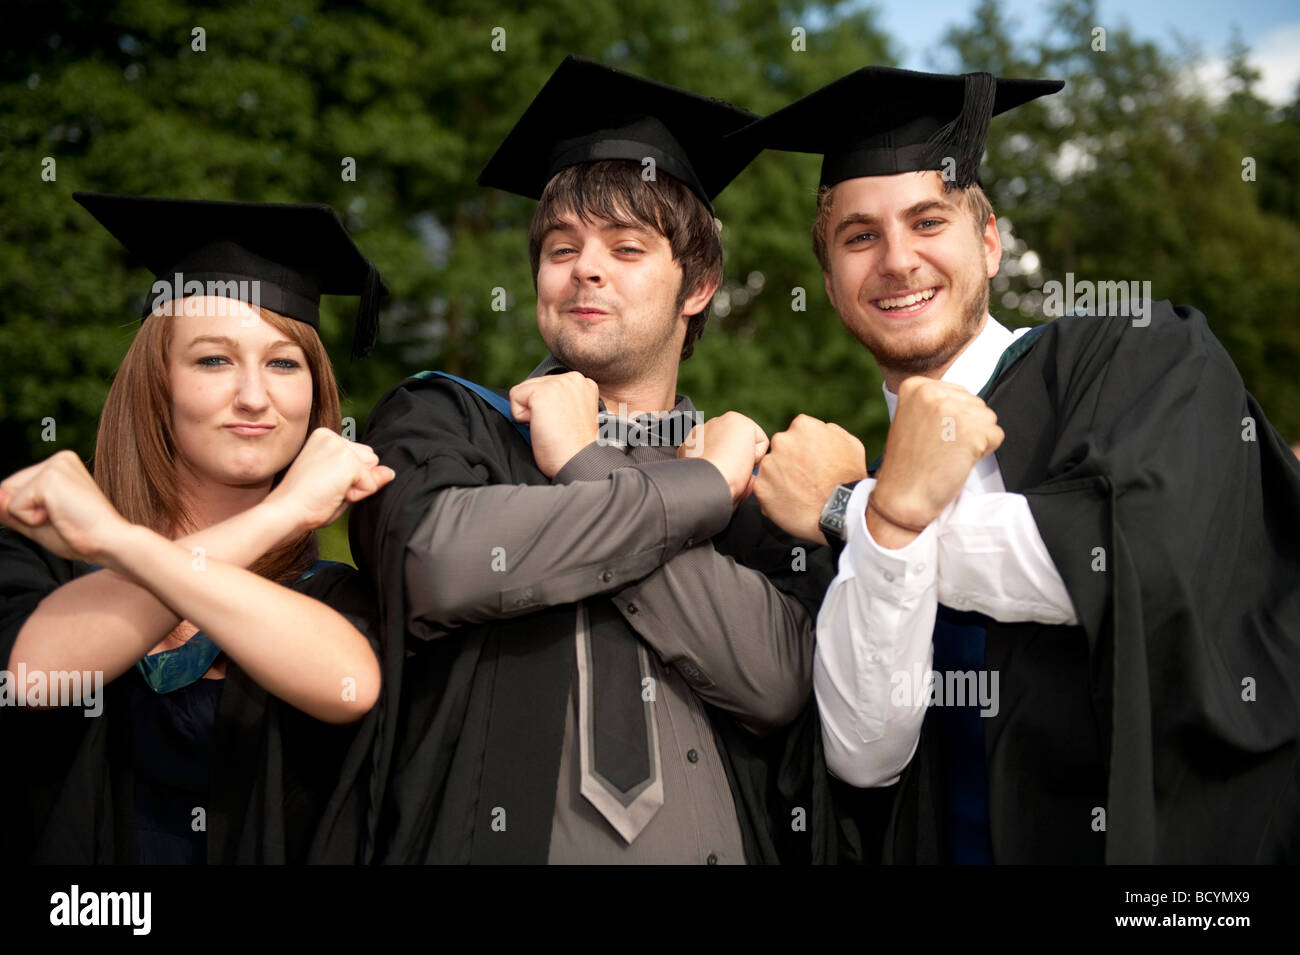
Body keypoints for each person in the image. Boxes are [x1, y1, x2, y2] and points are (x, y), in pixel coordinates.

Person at [748, 66, 1300, 863]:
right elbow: (866, 753)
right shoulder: (845, 490)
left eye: (928, 221)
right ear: (832, 286)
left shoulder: (1133, 351)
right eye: (860, 236)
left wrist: (852, 508)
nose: (898, 260)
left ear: (991, 241)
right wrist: (877, 526)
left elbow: (1136, 558)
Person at [350, 55, 839, 864]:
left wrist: (585, 462)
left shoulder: (750, 484)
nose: (586, 266)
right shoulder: (451, 422)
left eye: (627, 245)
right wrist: (695, 491)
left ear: (699, 284)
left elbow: (780, 678)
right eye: (561, 246)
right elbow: (435, 563)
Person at [0, 193, 394, 864]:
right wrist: (281, 511)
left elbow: (348, 684)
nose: (253, 395)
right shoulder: (47, 562)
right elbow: (36, 675)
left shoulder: (334, 596)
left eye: (282, 362)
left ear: (313, 392)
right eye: (213, 360)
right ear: (159, 385)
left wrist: (119, 540)